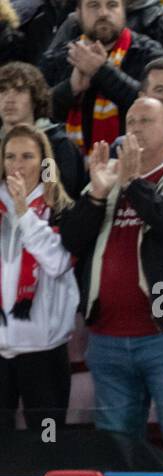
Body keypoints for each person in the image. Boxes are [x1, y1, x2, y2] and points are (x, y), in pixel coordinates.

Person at [60, 97, 163, 473]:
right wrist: (97, 195)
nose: (134, 129)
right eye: (130, 121)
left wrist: (133, 184)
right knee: (116, 444)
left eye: (146, 120)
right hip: (109, 338)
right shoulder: (107, 178)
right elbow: (70, 240)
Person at [0, 123, 78, 432]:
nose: (17, 165)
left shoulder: (60, 208)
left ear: (44, 162)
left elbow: (57, 262)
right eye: (10, 157)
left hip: (44, 352)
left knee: (47, 441)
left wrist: (23, 212)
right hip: (0, 351)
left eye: (27, 157)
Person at [39, 0, 163, 156]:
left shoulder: (148, 54)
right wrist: (70, 88)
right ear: (78, 13)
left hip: (134, 163)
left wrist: (102, 72)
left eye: (112, 5)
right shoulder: (58, 58)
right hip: (69, 170)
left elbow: (161, 108)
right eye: (94, 5)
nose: (103, 13)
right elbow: (39, 117)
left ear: (123, 10)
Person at [0, 61, 86, 196]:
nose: (9, 99)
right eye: (2, 90)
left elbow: (56, 199)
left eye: (19, 90)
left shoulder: (56, 145)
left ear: (35, 99)